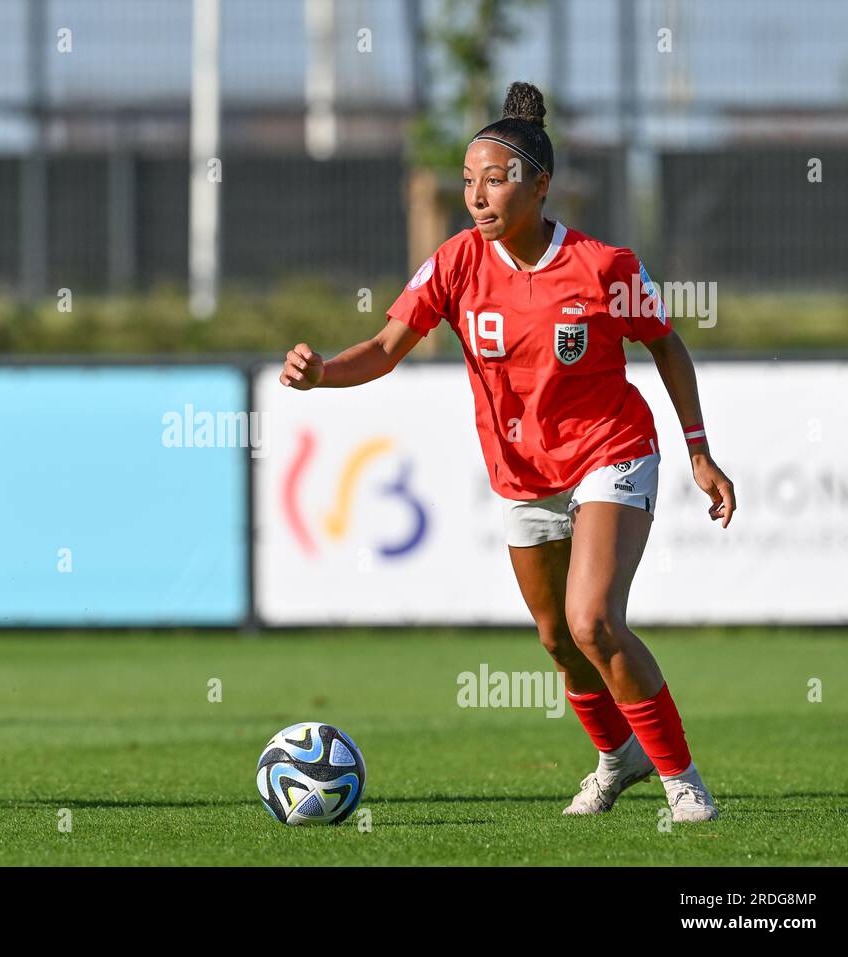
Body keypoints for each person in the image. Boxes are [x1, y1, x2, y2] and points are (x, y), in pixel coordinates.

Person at [279, 82, 734, 823]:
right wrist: (325, 371)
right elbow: (388, 348)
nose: (478, 196)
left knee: (594, 621)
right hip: (523, 475)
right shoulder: (457, 262)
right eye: (468, 181)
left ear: (540, 184)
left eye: (496, 179)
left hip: (611, 449)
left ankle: (683, 780)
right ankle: (618, 758)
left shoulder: (603, 266)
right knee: (558, 638)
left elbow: (667, 347)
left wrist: (699, 451)